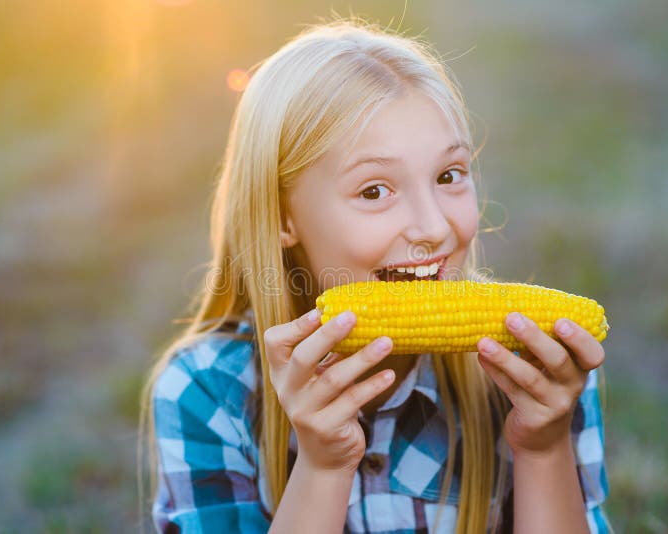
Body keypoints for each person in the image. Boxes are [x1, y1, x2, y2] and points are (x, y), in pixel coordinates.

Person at [140, 18, 611, 533]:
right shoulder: (207, 392)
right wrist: (322, 464)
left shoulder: (536, 372)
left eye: (448, 176)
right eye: (374, 191)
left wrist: (543, 444)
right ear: (282, 218)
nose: (433, 227)